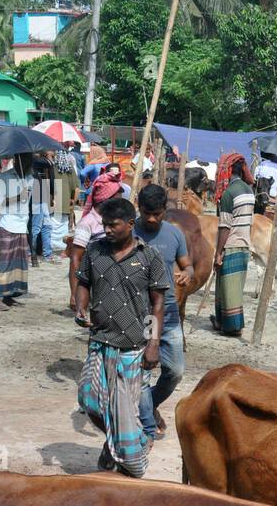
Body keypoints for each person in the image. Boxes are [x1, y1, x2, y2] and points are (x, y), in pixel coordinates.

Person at [75, 196, 168, 477]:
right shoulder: (95, 251)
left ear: (130, 224)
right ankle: (122, 440)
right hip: (99, 341)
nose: (107, 230)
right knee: (89, 399)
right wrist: (81, 307)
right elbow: (84, 283)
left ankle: (130, 460)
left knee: (126, 412)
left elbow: (158, 306)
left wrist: (153, 344)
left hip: (133, 348)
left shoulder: (149, 256)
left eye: (113, 225)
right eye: (104, 225)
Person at [134, 184, 193, 440]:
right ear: (139, 207)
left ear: (164, 211)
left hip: (168, 310)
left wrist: (187, 274)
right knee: (143, 371)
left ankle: (149, 406)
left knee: (175, 371)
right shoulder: (129, 231)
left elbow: (186, 265)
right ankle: (146, 423)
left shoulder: (174, 234)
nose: (151, 218)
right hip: (138, 310)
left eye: (156, 213)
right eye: (146, 212)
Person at [69, 164, 123, 308]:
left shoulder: (119, 220)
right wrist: (75, 293)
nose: (120, 202)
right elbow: (76, 258)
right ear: (105, 199)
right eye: (117, 198)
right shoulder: (88, 223)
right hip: (96, 284)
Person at [213, 153, 255, 336]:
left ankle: (232, 327)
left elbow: (224, 226)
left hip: (231, 244)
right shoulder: (248, 189)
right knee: (234, 287)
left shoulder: (229, 193)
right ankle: (223, 322)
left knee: (228, 288)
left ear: (227, 171)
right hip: (245, 243)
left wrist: (218, 252)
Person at [0, 153, 33, 310]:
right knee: (5, 260)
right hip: (7, 223)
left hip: (22, 224)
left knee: (19, 261)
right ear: (17, 161)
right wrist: (16, 197)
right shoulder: (4, 177)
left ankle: (9, 295)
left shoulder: (30, 178)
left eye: (30, 160)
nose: (28, 163)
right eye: (25, 160)